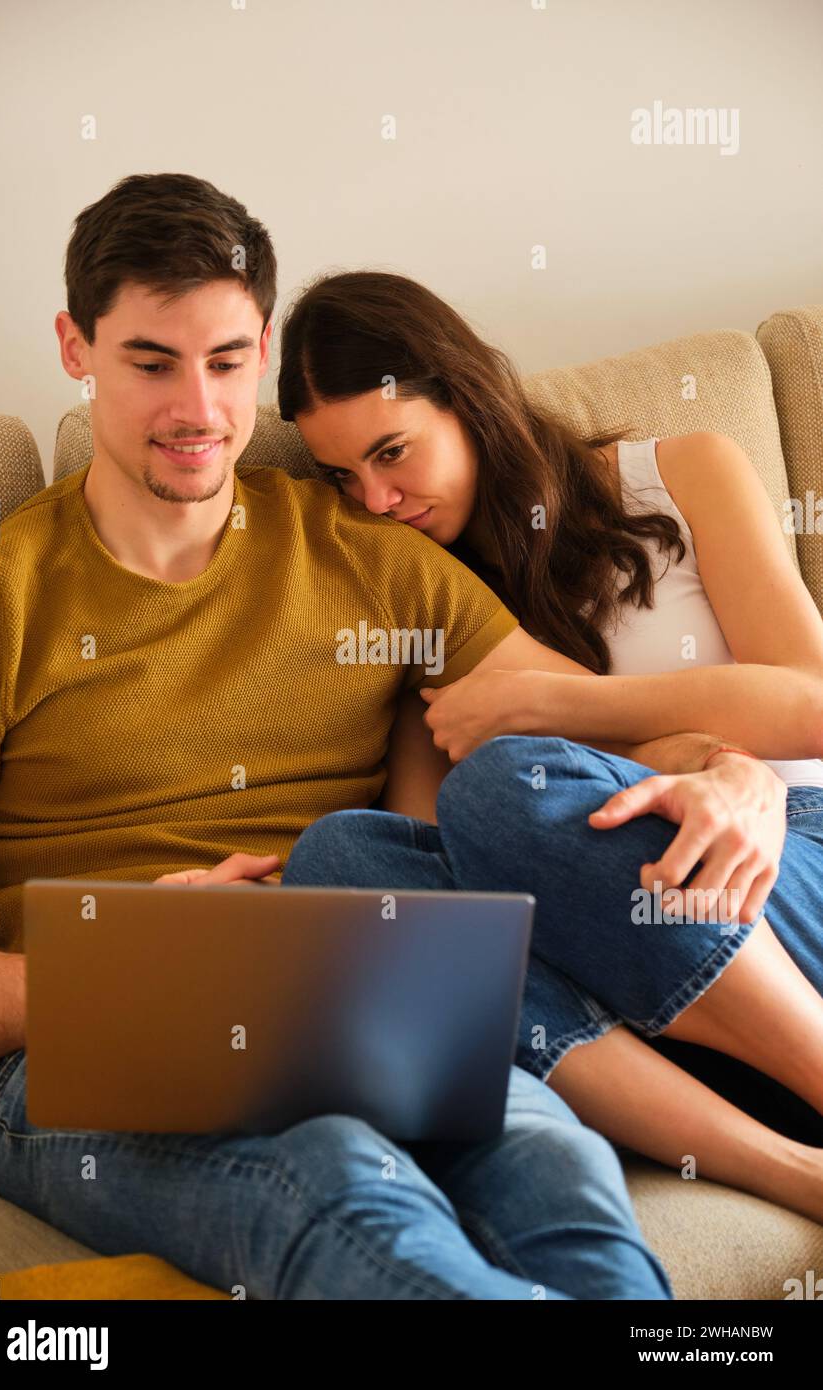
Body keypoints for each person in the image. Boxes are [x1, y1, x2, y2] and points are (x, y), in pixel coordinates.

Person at [0, 172, 676, 1300]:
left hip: (364, 1004)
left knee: (560, 1168)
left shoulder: (368, 557)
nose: (198, 407)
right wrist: (126, 962)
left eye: (229, 360)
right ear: (74, 346)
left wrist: (728, 770)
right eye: (151, 362)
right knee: (338, 1177)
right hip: (90, 1046)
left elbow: (607, 734)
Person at [269, 268, 823, 1223]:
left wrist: (547, 706)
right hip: (635, 999)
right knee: (343, 859)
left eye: (393, 452)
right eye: (343, 479)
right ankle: (790, 1168)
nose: (378, 500)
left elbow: (811, 703)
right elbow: (427, 891)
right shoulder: (430, 615)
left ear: (465, 392)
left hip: (780, 865)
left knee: (494, 782)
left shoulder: (684, 468)